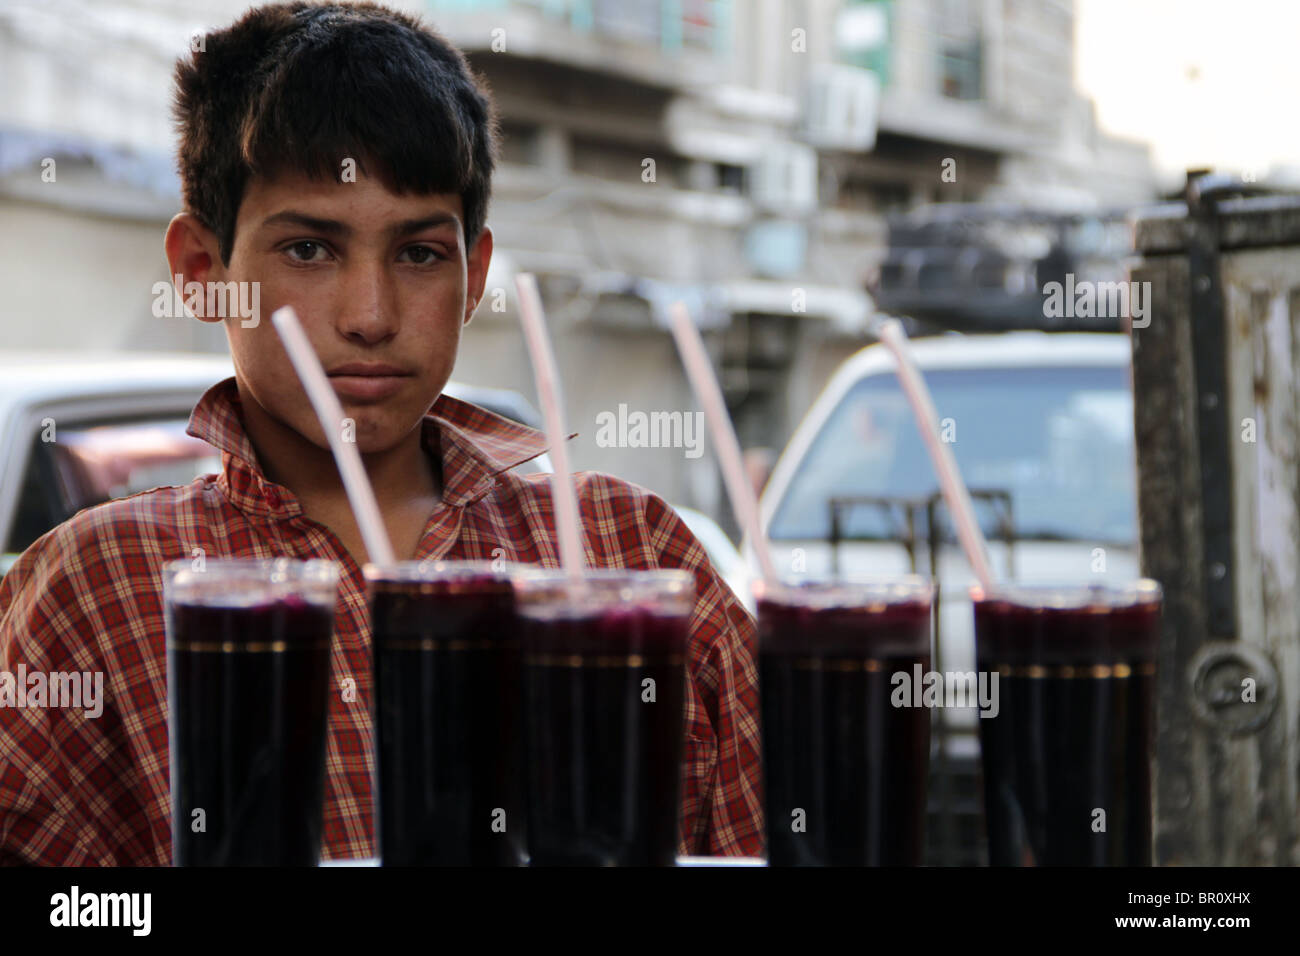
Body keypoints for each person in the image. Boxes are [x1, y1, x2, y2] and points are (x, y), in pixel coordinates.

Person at [0, 1, 763, 865]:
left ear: (475, 275)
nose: (371, 316)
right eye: (310, 250)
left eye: (420, 254)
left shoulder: (633, 561)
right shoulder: (97, 592)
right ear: (204, 273)